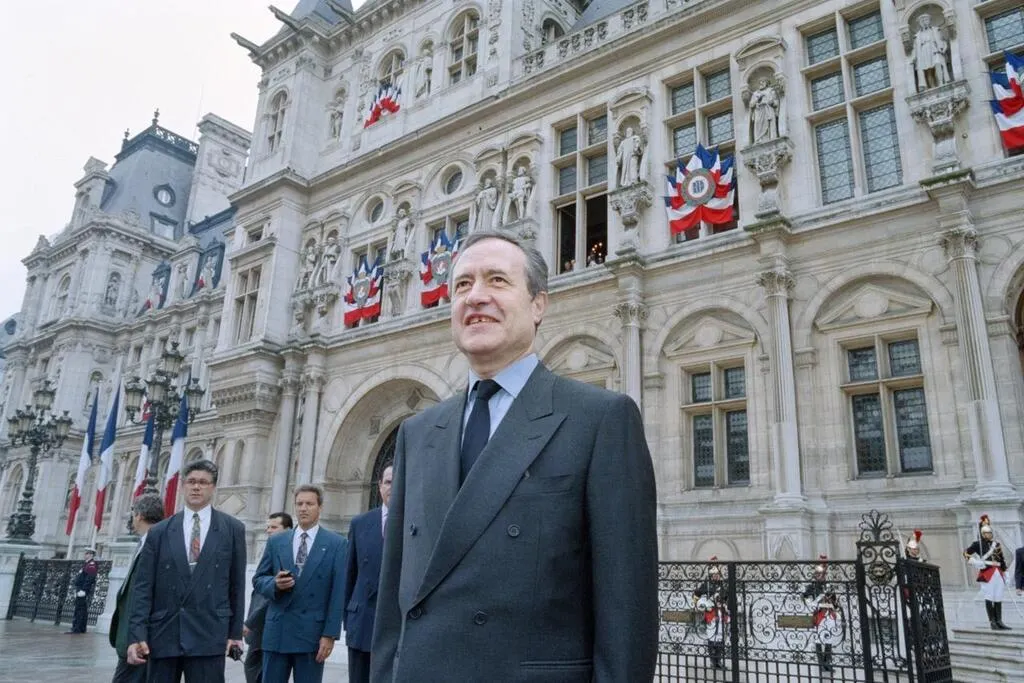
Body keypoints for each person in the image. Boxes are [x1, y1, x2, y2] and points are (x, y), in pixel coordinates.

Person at [371, 231, 659, 682]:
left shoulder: (599, 419)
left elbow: (627, 608)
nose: (476, 296)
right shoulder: (417, 432)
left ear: (538, 304)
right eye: (462, 285)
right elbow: (393, 604)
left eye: (497, 281)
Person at [126, 460, 247, 682]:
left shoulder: (232, 529)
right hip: (165, 632)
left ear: (213, 487)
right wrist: (137, 635)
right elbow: (143, 588)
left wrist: (234, 633)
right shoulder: (160, 532)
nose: (196, 487)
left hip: (209, 633)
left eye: (203, 482)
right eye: (191, 481)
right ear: (183, 485)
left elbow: (236, 586)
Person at [253, 485, 347, 683]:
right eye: (299, 504)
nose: (303, 508)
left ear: (320, 507)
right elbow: (259, 579)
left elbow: (338, 593)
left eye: (309, 504)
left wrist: (330, 634)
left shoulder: (336, 544)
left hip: (311, 636)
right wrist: (274, 584)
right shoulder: (277, 541)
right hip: (277, 631)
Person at [344, 466, 393, 683]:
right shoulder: (360, 523)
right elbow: (349, 575)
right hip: (362, 620)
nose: (392, 487)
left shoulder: (415, 522)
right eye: (388, 482)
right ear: (380, 486)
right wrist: (348, 618)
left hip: (395, 624)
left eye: (397, 481)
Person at [110, 494, 165, 683]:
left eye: (133, 512)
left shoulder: (157, 544)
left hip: (141, 638)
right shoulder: (145, 542)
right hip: (135, 637)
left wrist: (138, 636)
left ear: (139, 515)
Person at [243, 512, 294, 683]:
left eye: (274, 527)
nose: (268, 531)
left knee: (256, 669)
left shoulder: (286, 555)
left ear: (287, 530)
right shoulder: (272, 550)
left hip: (265, 625)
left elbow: (270, 596)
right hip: (259, 625)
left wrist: (250, 623)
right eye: (267, 527)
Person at [964, 514, 1011, 630]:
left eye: (990, 532)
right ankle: (992, 621)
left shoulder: (997, 544)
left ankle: (999, 620)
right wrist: (974, 561)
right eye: (987, 533)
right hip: (987, 572)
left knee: (998, 596)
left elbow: (1002, 559)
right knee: (989, 596)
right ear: (982, 533)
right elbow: (965, 553)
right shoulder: (977, 544)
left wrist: (1006, 572)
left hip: (998, 572)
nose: (989, 535)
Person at [802, 555, 841, 673]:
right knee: (818, 640)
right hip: (818, 615)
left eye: (823, 574)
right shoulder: (811, 587)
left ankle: (827, 662)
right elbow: (804, 597)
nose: (822, 576)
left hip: (829, 615)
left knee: (829, 640)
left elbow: (835, 602)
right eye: (819, 574)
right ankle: (821, 664)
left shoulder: (829, 586)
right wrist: (813, 604)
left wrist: (833, 603)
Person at [692, 557, 728, 670]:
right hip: (711, 615)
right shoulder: (706, 585)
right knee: (712, 638)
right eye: (714, 575)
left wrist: (725, 604)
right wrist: (702, 605)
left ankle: (719, 661)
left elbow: (727, 597)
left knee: (721, 639)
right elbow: (695, 597)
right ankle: (713, 661)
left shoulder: (723, 585)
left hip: (722, 614)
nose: (716, 576)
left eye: (717, 574)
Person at [911, 13, 949, 91]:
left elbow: (942, 40)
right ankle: (932, 86)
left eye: (926, 20)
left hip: (934, 49)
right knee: (928, 70)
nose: (925, 22)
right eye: (923, 21)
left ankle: (941, 83)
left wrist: (943, 48)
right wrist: (914, 57)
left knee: (937, 64)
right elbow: (915, 47)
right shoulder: (917, 35)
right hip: (924, 52)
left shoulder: (935, 29)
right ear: (920, 23)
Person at [67, 547, 99, 634]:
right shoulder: (87, 564)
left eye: (87, 553)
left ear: (91, 555)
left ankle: (76, 628)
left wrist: (84, 590)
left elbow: (90, 578)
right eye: (85, 553)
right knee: (82, 609)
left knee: (79, 609)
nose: (85, 555)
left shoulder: (91, 564)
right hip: (80, 589)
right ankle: (81, 628)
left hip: (82, 590)